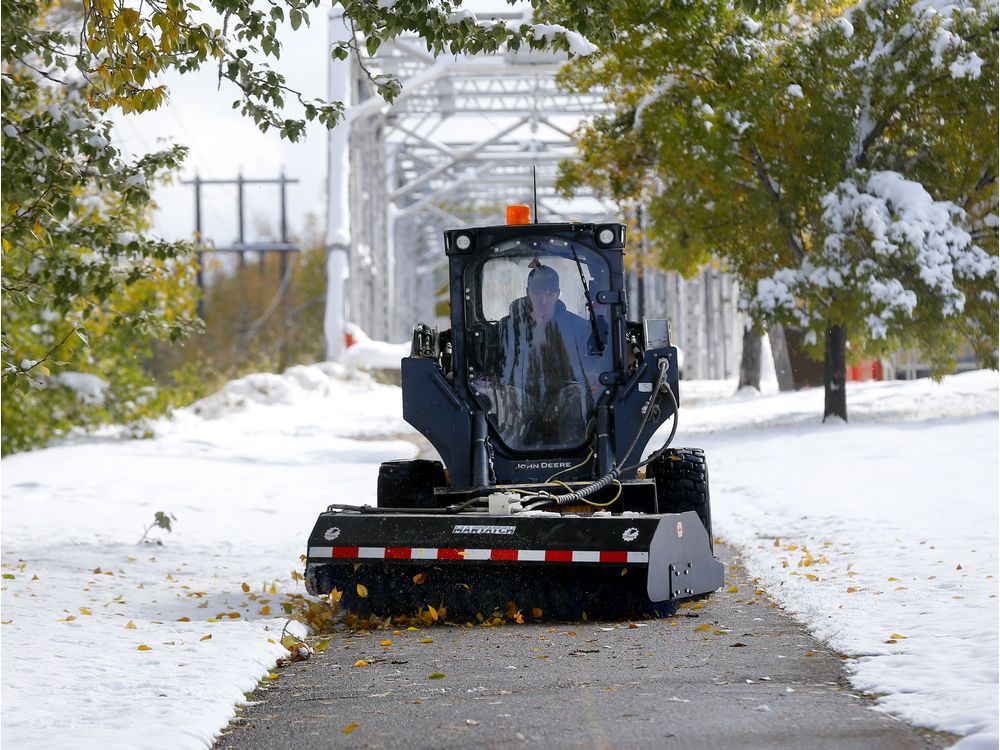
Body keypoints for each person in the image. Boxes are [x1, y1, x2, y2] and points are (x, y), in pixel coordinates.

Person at [499, 263, 598, 448]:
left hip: (564, 401)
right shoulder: (507, 329)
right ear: (528, 293)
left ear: (558, 293)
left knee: (575, 394)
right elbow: (495, 369)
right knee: (509, 396)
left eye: (549, 293)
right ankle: (505, 457)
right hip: (522, 400)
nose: (543, 299)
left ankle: (574, 457)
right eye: (537, 293)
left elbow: (592, 369)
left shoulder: (579, 329)